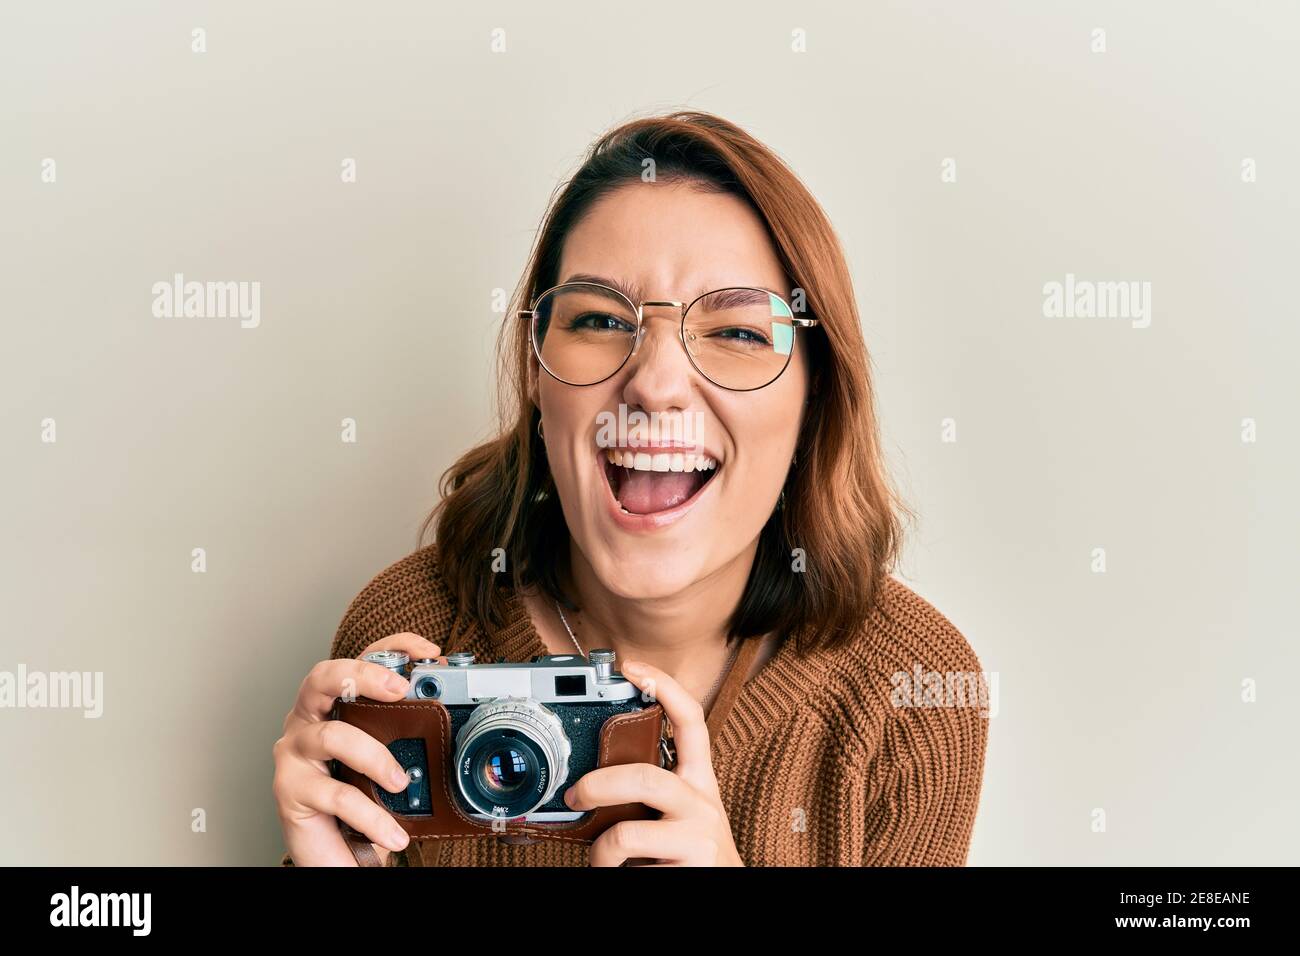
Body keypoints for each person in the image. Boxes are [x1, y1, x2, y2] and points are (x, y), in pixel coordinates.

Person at [273, 110, 989, 866]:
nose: (655, 385)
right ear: (536, 377)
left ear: (815, 396)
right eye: (600, 320)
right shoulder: (410, 639)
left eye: (739, 332)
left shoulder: (909, 692)